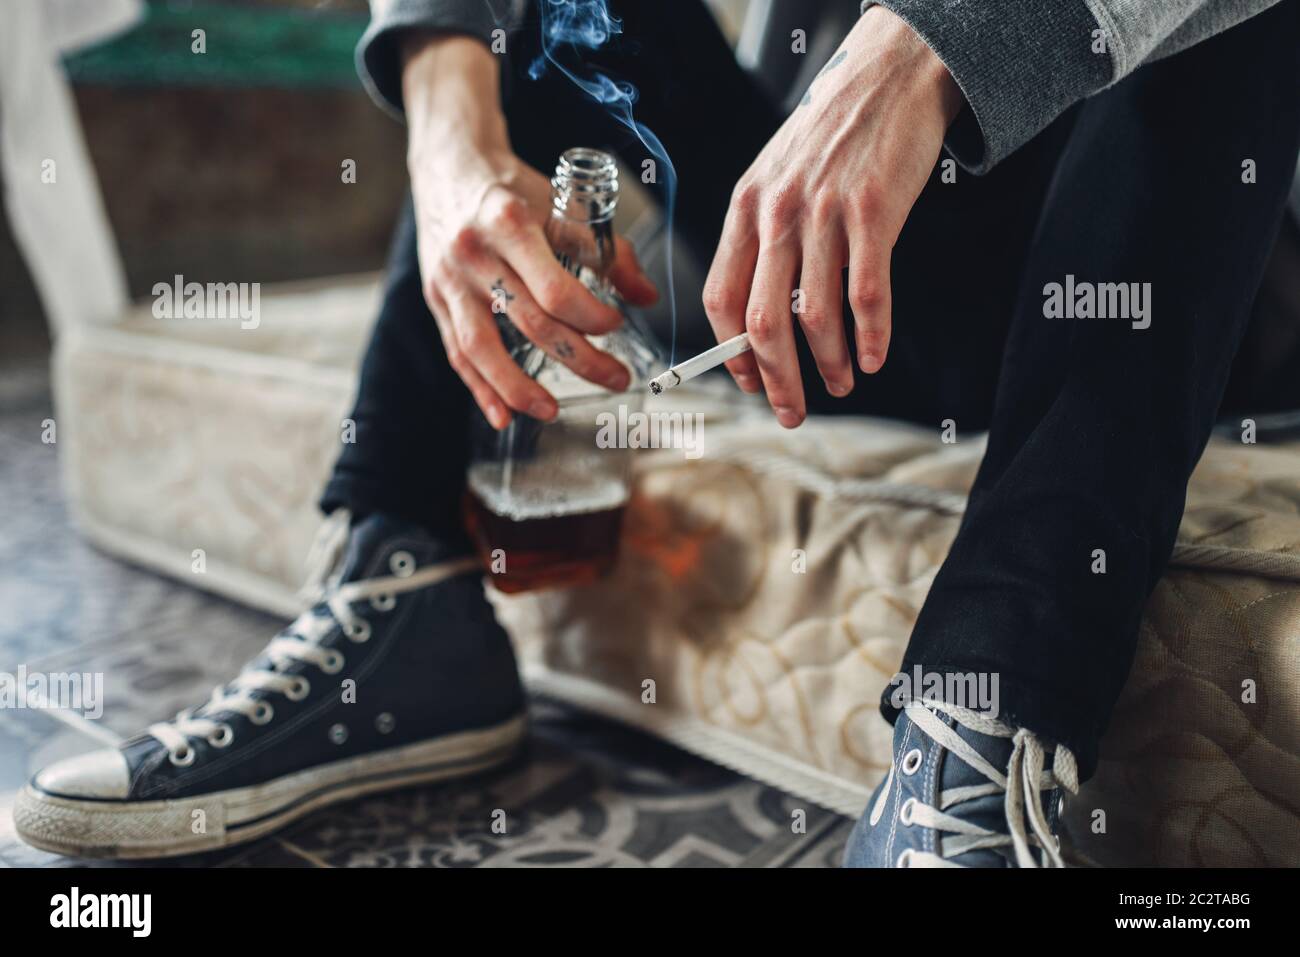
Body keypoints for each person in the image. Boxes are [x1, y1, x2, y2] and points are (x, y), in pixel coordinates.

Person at [16, 0, 1299, 866]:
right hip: (810, 278)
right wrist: (448, 143)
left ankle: (979, 732)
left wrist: (927, 44)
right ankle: (400, 583)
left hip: (1128, 280)